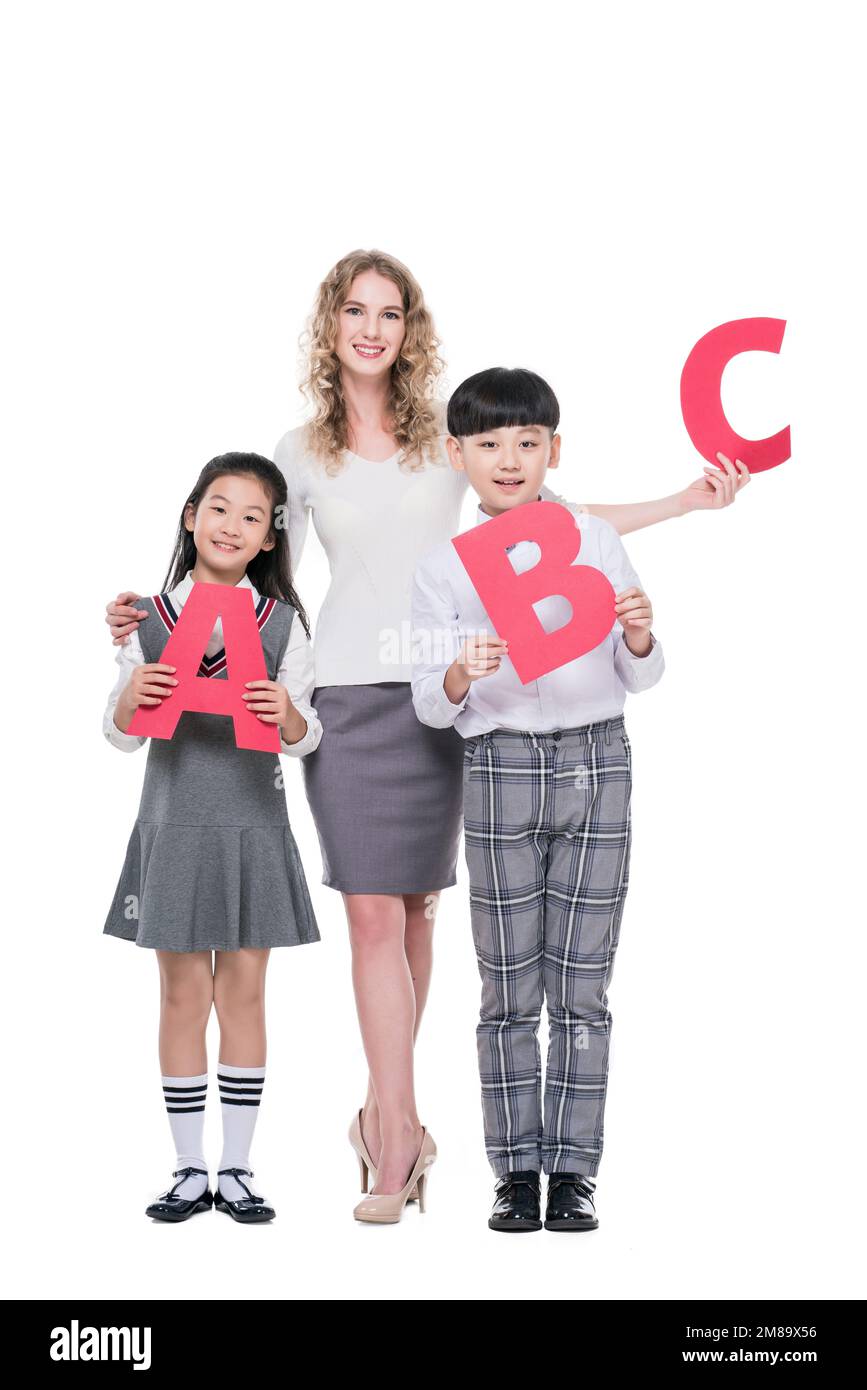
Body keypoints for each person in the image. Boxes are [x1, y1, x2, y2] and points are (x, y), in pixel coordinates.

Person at [104, 249, 748, 1223]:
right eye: (356, 311)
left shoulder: (446, 436)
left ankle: (378, 1110)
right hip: (352, 703)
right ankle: (397, 1139)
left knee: (416, 918)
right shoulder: (299, 447)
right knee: (370, 915)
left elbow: (550, 531)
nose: (372, 328)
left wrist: (681, 502)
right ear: (331, 325)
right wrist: (162, 620)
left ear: (409, 330)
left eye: (390, 313)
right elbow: (258, 566)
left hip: (443, 691)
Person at [411, 367, 664, 1233]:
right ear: (457, 454)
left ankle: (575, 1172)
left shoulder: (591, 538)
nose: (509, 459)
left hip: (598, 760)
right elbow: (427, 699)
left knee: (583, 986)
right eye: (487, 444)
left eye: (527, 442)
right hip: (499, 766)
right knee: (508, 984)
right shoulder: (445, 569)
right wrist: (458, 671)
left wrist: (638, 633)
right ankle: (515, 1171)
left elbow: (642, 672)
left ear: (555, 448)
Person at [103, 453, 322, 1224]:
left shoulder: (283, 625)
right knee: (180, 993)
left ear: (269, 538)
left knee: (246, 992)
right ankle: (188, 1166)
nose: (232, 525)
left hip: (252, 824)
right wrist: (131, 695)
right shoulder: (148, 618)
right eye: (218, 508)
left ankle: (237, 1168)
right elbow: (122, 734)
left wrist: (286, 714)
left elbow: (304, 735)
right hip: (174, 822)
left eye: (252, 516)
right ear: (191, 516)